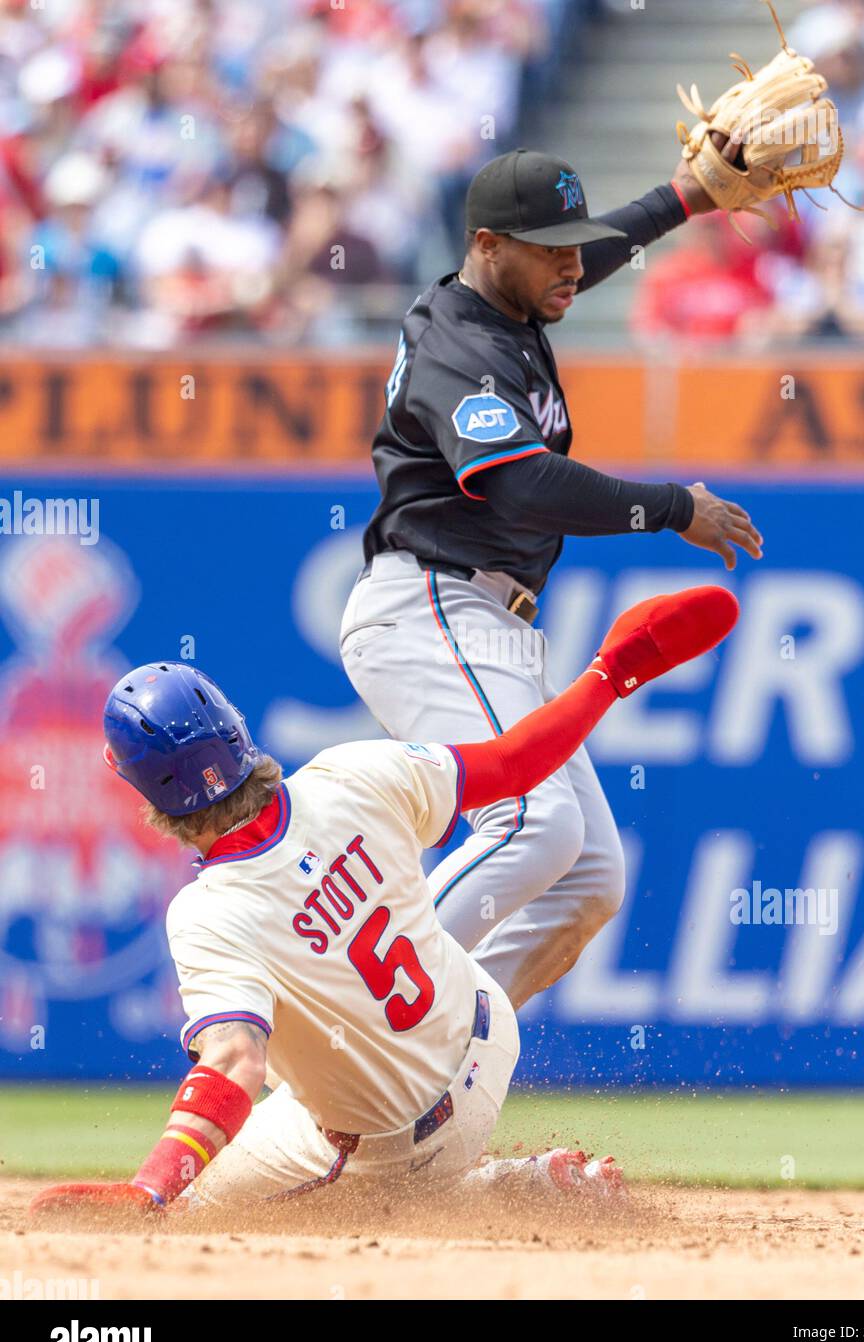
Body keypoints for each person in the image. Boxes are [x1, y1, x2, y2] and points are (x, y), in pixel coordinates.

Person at [30, 586, 738, 1215]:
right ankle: (504, 1186)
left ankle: (497, 1187)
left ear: (147, 796)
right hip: (489, 1037)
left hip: (400, 1140)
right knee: (338, 1127)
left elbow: (236, 1061)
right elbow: (518, 761)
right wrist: (607, 675)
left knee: (198, 1219)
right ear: (235, 729)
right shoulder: (351, 772)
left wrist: (153, 1187)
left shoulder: (208, 912)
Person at [340, 146, 763, 1010]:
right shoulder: (459, 342)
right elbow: (520, 480)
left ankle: (442, 1065)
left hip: (483, 618)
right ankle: (357, 1024)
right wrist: (674, 507)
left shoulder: (508, 301)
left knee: (590, 874)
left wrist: (685, 195)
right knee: (532, 823)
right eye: (549, 247)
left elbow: (588, 253)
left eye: (574, 245)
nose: (572, 263)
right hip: (431, 605)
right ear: (489, 245)